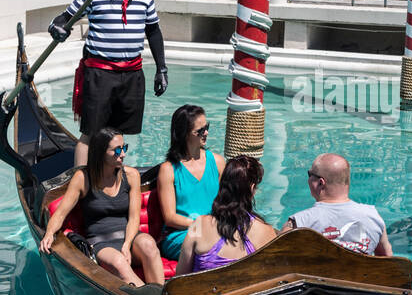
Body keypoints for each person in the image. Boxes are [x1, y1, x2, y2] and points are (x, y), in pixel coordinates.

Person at [48, 0, 168, 169]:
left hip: (132, 74)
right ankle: (80, 182)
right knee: (90, 133)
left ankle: (113, 178)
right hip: (100, 74)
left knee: (119, 134)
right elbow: (63, 19)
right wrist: (56, 28)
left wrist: (161, 69)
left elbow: (153, 32)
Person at [40, 126, 165, 285]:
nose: (123, 154)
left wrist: (127, 245)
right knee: (119, 262)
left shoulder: (132, 175)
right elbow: (60, 213)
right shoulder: (83, 178)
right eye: (117, 150)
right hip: (101, 243)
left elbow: (134, 219)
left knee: (149, 245)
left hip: (130, 238)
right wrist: (49, 233)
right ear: (101, 152)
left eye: (124, 148)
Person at [176, 156, 278, 275]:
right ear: (252, 188)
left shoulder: (199, 225)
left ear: (222, 185)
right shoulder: (266, 232)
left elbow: (180, 277)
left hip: (204, 293)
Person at [282, 153, 392, 256]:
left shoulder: (299, 222)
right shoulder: (373, 217)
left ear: (320, 183)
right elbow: (388, 262)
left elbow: (276, 261)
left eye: (310, 174)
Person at [156, 104, 226, 261]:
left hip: (214, 229)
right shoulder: (168, 170)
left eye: (206, 127)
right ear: (184, 134)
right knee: (212, 246)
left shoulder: (218, 162)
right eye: (200, 131)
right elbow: (170, 217)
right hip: (181, 234)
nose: (206, 133)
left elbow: (225, 203)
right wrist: (205, 226)